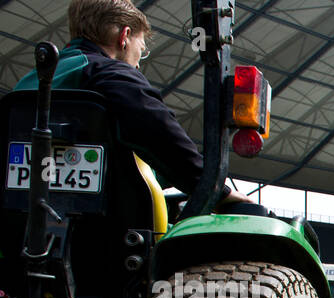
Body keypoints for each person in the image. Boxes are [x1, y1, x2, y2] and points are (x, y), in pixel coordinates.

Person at [16, 0, 253, 204]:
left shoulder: (29, 82)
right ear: (124, 36)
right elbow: (157, 132)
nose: (139, 62)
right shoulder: (108, 73)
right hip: (97, 232)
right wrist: (213, 187)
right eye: (141, 48)